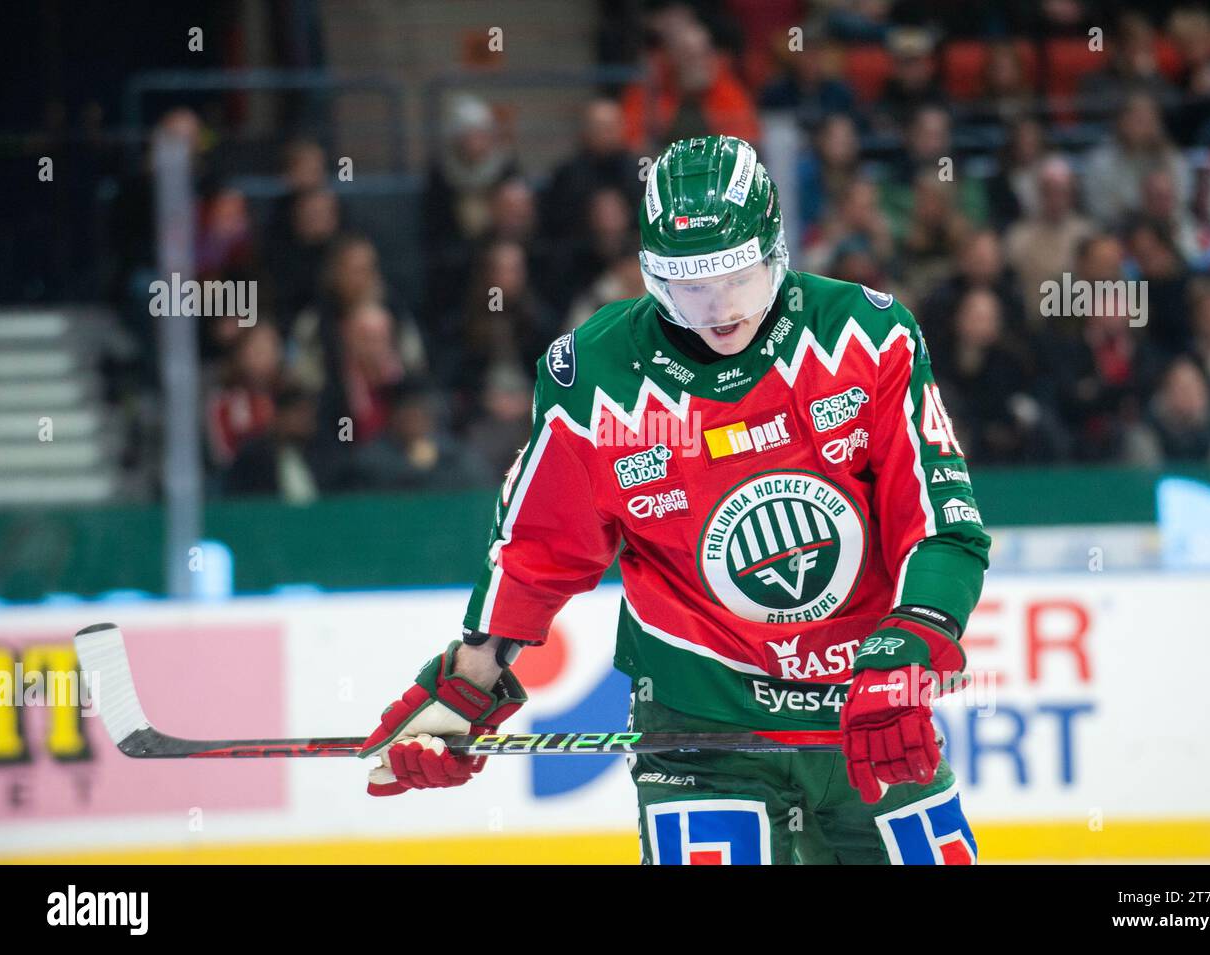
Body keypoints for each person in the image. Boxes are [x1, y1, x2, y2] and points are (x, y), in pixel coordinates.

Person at [360, 136, 991, 866]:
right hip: (698, 725)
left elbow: (942, 525)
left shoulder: (868, 336)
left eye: (737, 279)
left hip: (865, 707)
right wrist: (470, 681)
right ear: (651, 274)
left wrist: (904, 654)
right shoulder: (593, 376)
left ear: (776, 251)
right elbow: (543, 547)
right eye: (691, 285)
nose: (721, 310)